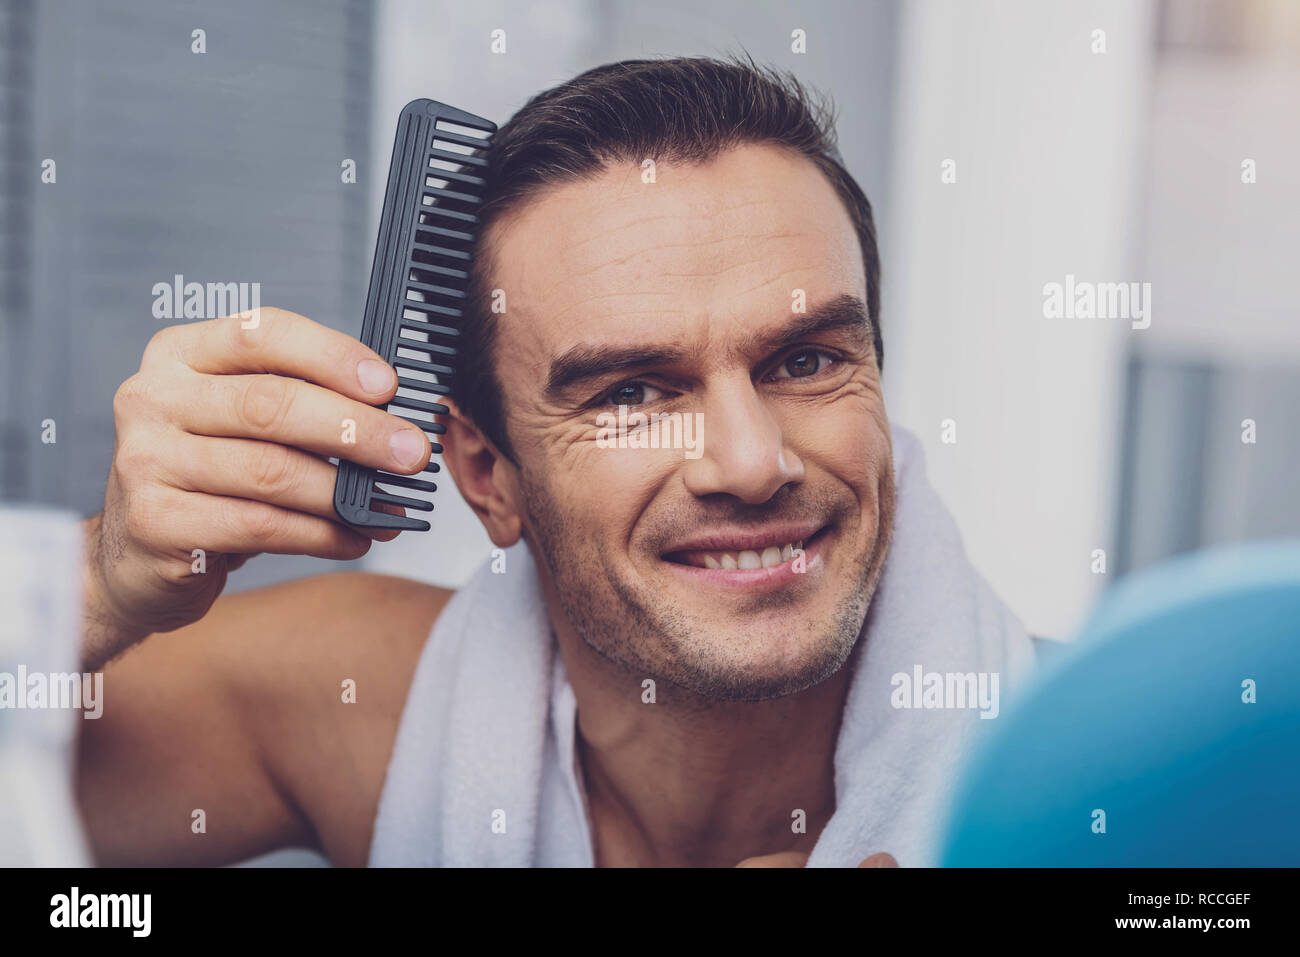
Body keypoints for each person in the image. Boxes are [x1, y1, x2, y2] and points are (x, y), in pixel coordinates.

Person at [76, 56, 1032, 868]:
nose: (750, 462)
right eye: (630, 391)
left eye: (807, 361)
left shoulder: (1115, 778)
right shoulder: (361, 704)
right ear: (487, 474)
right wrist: (93, 586)